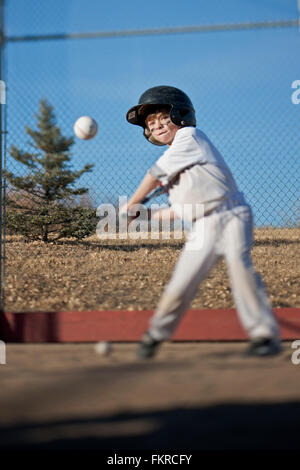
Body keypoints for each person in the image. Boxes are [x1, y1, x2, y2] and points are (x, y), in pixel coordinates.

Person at [124, 85, 281, 359]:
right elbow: (178, 210)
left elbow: (153, 174)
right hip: (203, 226)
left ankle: (263, 335)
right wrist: (144, 216)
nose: (157, 125)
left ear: (180, 114)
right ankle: (155, 334)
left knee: (239, 269)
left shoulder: (190, 136)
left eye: (163, 117)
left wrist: (132, 203)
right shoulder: (175, 165)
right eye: (150, 122)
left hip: (232, 214)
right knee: (181, 284)